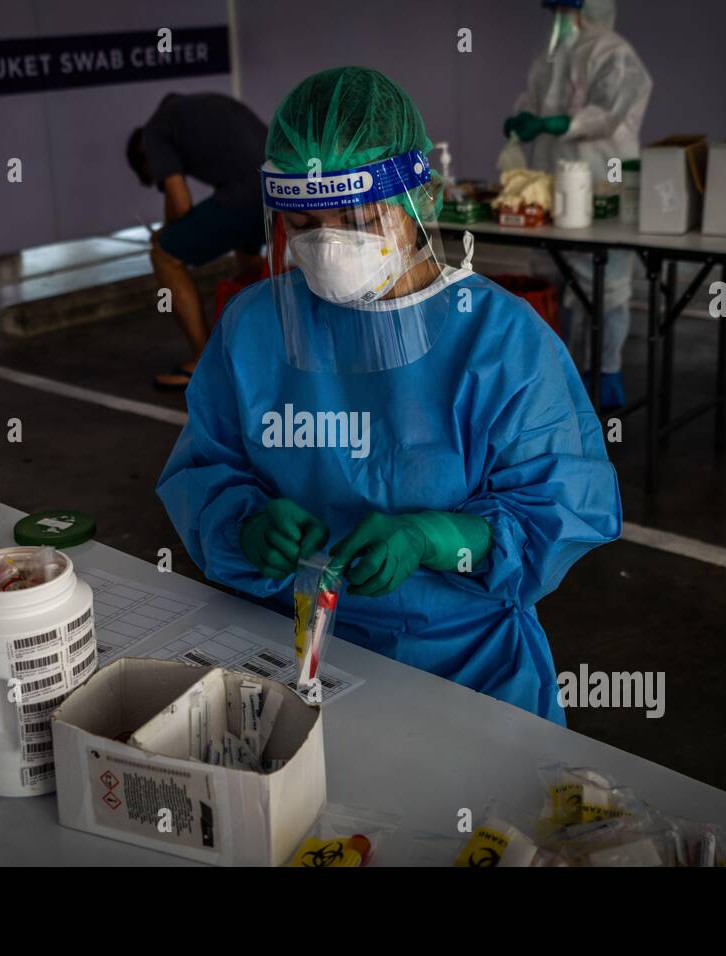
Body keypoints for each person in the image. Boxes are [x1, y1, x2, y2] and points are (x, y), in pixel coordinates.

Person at [157, 67, 621, 721]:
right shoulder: (255, 327)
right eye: (302, 221)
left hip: (459, 664)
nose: (328, 242)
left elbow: (562, 509)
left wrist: (440, 539)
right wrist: (243, 523)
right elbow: (205, 468)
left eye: (357, 215)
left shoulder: (498, 340)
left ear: (416, 195)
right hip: (287, 653)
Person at [502, 0, 651, 409]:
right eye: (555, 9)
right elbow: (532, 97)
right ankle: (556, 368)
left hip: (605, 179)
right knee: (552, 278)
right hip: (551, 184)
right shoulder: (549, 53)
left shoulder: (614, 52)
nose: (559, 18)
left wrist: (557, 124)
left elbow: (608, 112)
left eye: (567, 8)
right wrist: (522, 118)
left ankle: (605, 370)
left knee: (605, 284)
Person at [127, 92, 268, 390]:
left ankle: (203, 364)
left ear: (143, 154)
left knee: (165, 254)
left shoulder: (154, 132)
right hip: (280, 190)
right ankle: (259, 351)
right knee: (247, 259)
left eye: (154, 176)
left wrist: (164, 233)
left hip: (247, 194)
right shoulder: (203, 104)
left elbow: (179, 202)